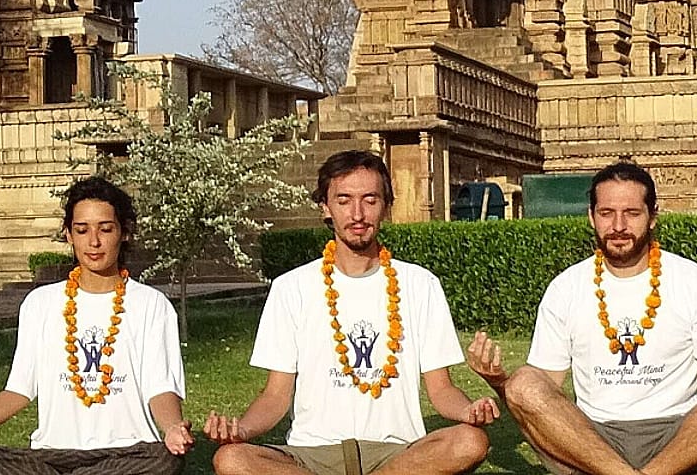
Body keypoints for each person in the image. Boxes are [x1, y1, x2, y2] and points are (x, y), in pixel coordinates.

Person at [468, 160, 697, 475]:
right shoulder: (566, 287)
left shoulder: (693, 280)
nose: (618, 226)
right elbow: (539, 396)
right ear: (591, 218)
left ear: (652, 218)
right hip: (590, 440)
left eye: (632, 213)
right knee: (524, 382)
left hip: (680, 438)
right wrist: (500, 382)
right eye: (607, 213)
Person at [205, 150, 498, 475]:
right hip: (312, 455)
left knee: (470, 441)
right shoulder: (292, 287)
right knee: (231, 460)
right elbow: (275, 396)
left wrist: (469, 410)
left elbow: (441, 390)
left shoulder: (420, 284)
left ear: (386, 206)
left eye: (370, 200)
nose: (357, 214)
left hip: (398, 455)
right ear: (325, 207)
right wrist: (241, 431)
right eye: (344, 200)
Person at [0, 176, 193, 474]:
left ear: (125, 232)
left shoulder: (151, 305)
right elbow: (17, 391)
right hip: (51, 457)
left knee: (164, 459)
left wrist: (171, 429)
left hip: (127, 454)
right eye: (82, 230)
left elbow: (160, 388)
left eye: (105, 229)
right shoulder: (41, 303)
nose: (94, 241)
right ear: (68, 234)